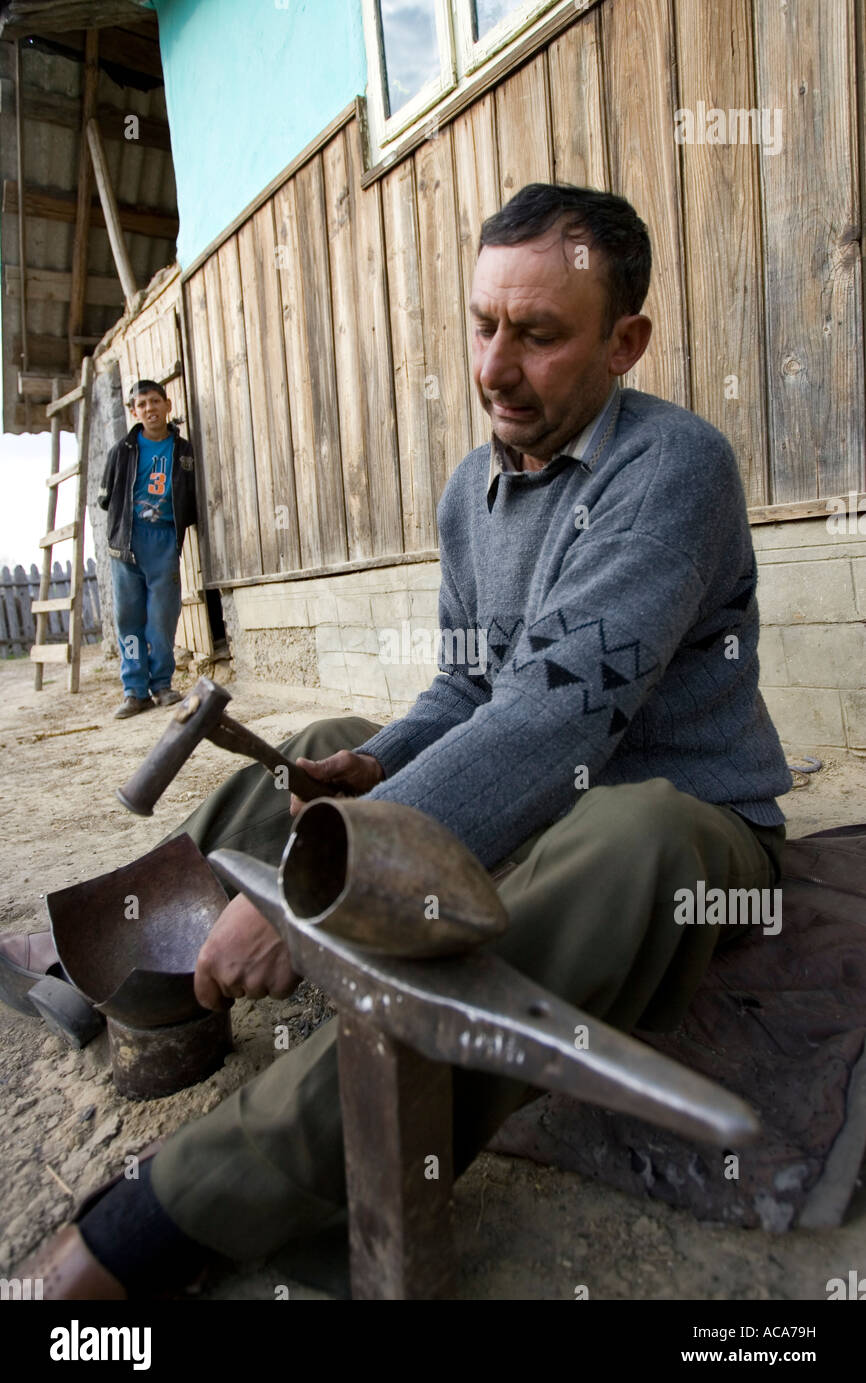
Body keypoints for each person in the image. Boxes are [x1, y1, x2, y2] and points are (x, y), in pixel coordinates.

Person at [15, 183, 792, 1298]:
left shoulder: (670, 469)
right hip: (543, 801)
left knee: (636, 836)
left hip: (675, 811)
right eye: (482, 324)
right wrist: (372, 773)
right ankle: (138, 980)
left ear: (625, 341)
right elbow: (470, 683)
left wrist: (320, 872)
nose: (492, 368)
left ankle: (164, 1222)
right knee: (327, 742)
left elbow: (557, 714)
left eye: (537, 335)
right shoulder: (470, 489)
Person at [99, 379, 197, 718]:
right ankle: (134, 691)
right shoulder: (122, 452)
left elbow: (192, 497)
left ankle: (162, 685)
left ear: (168, 405)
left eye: (155, 401)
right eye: (141, 405)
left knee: (161, 618)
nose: (149, 409)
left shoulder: (183, 451)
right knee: (129, 619)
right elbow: (106, 497)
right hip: (127, 543)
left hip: (163, 540)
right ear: (133, 412)